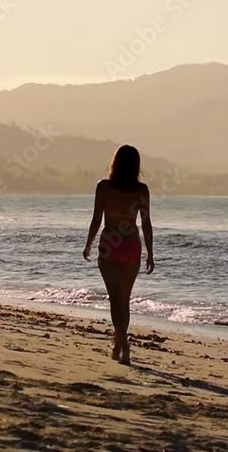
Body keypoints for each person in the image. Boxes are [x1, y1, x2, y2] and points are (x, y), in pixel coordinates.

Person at [83, 145, 154, 365]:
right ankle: (119, 343)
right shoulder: (141, 190)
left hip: (109, 247)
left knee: (115, 299)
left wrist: (88, 245)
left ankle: (123, 345)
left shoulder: (103, 187)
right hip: (131, 246)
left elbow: (96, 219)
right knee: (124, 300)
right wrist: (151, 254)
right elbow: (146, 224)